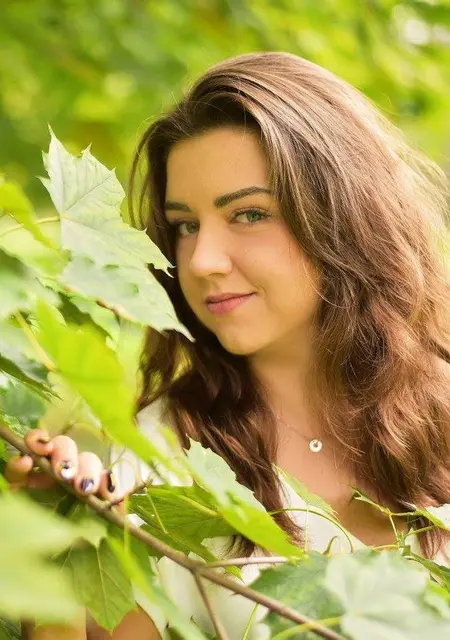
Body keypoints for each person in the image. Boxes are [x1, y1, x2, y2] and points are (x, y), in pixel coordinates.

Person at [6, 51, 450, 639]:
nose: (202, 261)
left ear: (343, 215)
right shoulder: (153, 464)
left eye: (248, 214)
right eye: (185, 226)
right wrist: (61, 558)